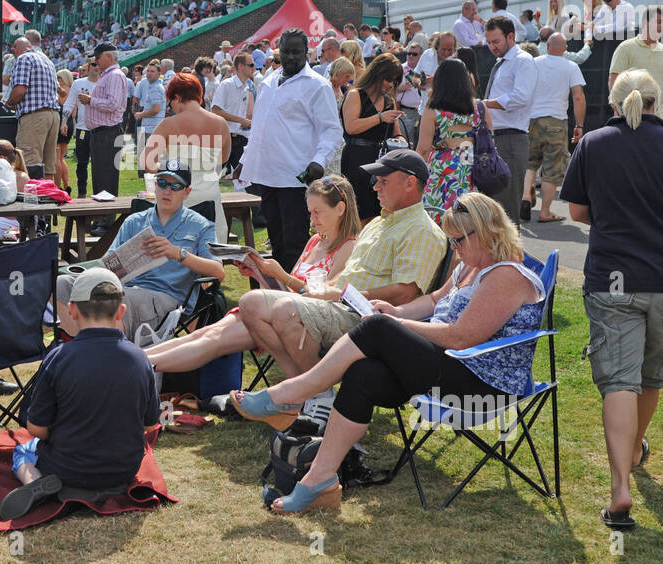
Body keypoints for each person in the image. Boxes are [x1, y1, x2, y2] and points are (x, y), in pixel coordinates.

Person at [230, 192, 544, 513]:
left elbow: (461, 337)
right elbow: (435, 301)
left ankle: (290, 395)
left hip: (480, 384)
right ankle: (319, 482)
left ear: (485, 232)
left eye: (458, 240)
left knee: (378, 329)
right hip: (446, 366)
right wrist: (398, 311)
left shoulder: (507, 275)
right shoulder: (470, 266)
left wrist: (394, 322)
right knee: (363, 373)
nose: (455, 249)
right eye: (451, 241)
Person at [559, 69, 663, 530]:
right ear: (659, 102)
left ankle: (620, 487)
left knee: (618, 381)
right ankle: (633, 450)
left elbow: (577, 211)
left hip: (613, 278)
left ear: (613, 102)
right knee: (651, 376)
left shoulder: (592, 144)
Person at [235, 149, 448, 382]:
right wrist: (323, 291)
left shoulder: (422, 231)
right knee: (250, 302)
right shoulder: (379, 222)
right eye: (376, 181)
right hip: (340, 306)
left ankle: (305, 391)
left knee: (286, 311)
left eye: (384, 181)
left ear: (410, 183)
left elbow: (405, 294)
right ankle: (305, 387)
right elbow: (349, 274)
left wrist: (343, 295)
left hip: (366, 318)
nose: (375, 187)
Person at [144, 175, 359, 377]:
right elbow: (288, 291)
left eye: (317, 212)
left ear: (340, 209)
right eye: (310, 211)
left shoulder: (348, 247)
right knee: (202, 334)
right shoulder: (315, 242)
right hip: (278, 311)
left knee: (213, 340)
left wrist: (280, 274)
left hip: (296, 323)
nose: (312, 218)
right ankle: (138, 359)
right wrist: (260, 273)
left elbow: (320, 295)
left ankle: (138, 368)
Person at [0, 268, 160, 520]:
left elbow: (36, 428)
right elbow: (151, 425)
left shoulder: (58, 358)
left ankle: (36, 482)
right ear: (121, 311)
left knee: (22, 451)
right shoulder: (141, 360)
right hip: (123, 469)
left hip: (66, 469)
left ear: (72, 310)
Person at [55, 162, 223, 340]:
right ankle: (81, 346)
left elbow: (218, 272)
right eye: (163, 183)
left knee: (112, 301)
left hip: (165, 297)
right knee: (62, 284)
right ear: (155, 185)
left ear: (187, 192)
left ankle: (98, 355)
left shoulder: (201, 226)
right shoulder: (134, 221)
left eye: (175, 186)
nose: (168, 191)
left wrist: (178, 253)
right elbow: (108, 263)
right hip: (125, 287)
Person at [240, 28, 341, 271]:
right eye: (286, 52)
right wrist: (245, 161)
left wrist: (319, 160)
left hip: (296, 176)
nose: (291, 57)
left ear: (307, 52)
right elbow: (259, 127)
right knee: (275, 239)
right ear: (279, 52)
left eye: (297, 52)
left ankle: (295, 293)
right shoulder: (269, 81)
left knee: (295, 241)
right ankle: (277, 293)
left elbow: (332, 130)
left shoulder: (318, 85)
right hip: (267, 174)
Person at [142, 72, 231, 241]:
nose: (171, 107)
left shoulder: (168, 124)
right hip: (209, 198)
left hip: (176, 198)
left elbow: (147, 163)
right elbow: (223, 159)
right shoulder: (220, 123)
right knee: (210, 254)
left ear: (176, 97)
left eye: (170, 102)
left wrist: (165, 171)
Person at [522, 33, 586, 223]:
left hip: (532, 119)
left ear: (547, 46)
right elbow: (578, 97)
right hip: (556, 121)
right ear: (565, 49)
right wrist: (579, 125)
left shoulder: (534, 63)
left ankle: (525, 196)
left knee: (530, 162)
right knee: (552, 168)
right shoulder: (571, 67)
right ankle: (545, 212)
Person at [481, 16, 537, 226]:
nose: (492, 47)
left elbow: (521, 97)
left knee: (506, 214)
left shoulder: (522, 60)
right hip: (497, 138)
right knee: (494, 211)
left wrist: (485, 104)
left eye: (496, 41)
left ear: (511, 37)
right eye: (489, 42)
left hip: (511, 139)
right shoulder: (502, 63)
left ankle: (510, 258)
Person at [340, 53, 404, 223]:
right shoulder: (356, 95)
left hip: (381, 162)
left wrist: (402, 143)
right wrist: (381, 117)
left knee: (381, 212)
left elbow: (396, 133)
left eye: (394, 81)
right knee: (359, 213)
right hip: (357, 160)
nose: (390, 84)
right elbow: (351, 127)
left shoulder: (389, 101)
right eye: (388, 79)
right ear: (377, 74)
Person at [416, 58, 481, 219]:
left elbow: (423, 148)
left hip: (441, 164)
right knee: (464, 217)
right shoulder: (479, 106)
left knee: (437, 214)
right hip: (468, 161)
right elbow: (489, 140)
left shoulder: (433, 109)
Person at [79, 42, 129, 229]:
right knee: (100, 176)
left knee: (106, 177)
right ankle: (101, 218)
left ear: (108, 56)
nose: (95, 61)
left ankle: (106, 222)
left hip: (108, 132)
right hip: (102, 132)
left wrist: (90, 100)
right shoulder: (108, 75)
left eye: (98, 57)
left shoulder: (114, 75)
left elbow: (112, 104)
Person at [4, 35, 61, 178]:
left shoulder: (24, 59)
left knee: (28, 163)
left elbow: (19, 90)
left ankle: (30, 199)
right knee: (49, 166)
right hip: (53, 116)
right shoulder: (47, 60)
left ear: (16, 50)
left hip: (35, 116)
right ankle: (47, 197)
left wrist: (8, 103)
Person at [609, 6, 663, 119]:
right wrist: (619, 109)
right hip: (629, 117)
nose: (662, 26)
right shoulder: (625, 48)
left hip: (658, 119)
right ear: (645, 22)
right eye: (658, 22)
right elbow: (614, 80)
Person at [209, 51, 256, 179]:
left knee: (238, 178)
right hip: (226, 137)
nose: (254, 68)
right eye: (251, 65)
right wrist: (242, 120)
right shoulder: (227, 85)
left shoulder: (247, 88)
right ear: (241, 66)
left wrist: (246, 123)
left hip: (240, 138)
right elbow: (216, 111)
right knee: (217, 177)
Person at [61, 59, 99, 196]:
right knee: (82, 163)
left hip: (101, 130)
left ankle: (99, 194)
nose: (96, 67)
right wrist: (64, 121)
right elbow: (69, 104)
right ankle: (81, 193)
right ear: (88, 67)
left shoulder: (105, 83)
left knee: (99, 165)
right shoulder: (78, 83)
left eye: (98, 64)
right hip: (83, 130)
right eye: (93, 64)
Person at [54, 68, 74, 192]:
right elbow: (74, 111)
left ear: (61, 79)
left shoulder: (61, 91)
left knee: (57, 158)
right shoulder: (73, 91)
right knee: (61, 157)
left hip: (60, 121)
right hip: (70, 122)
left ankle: (57, 186)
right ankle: (66, 185)